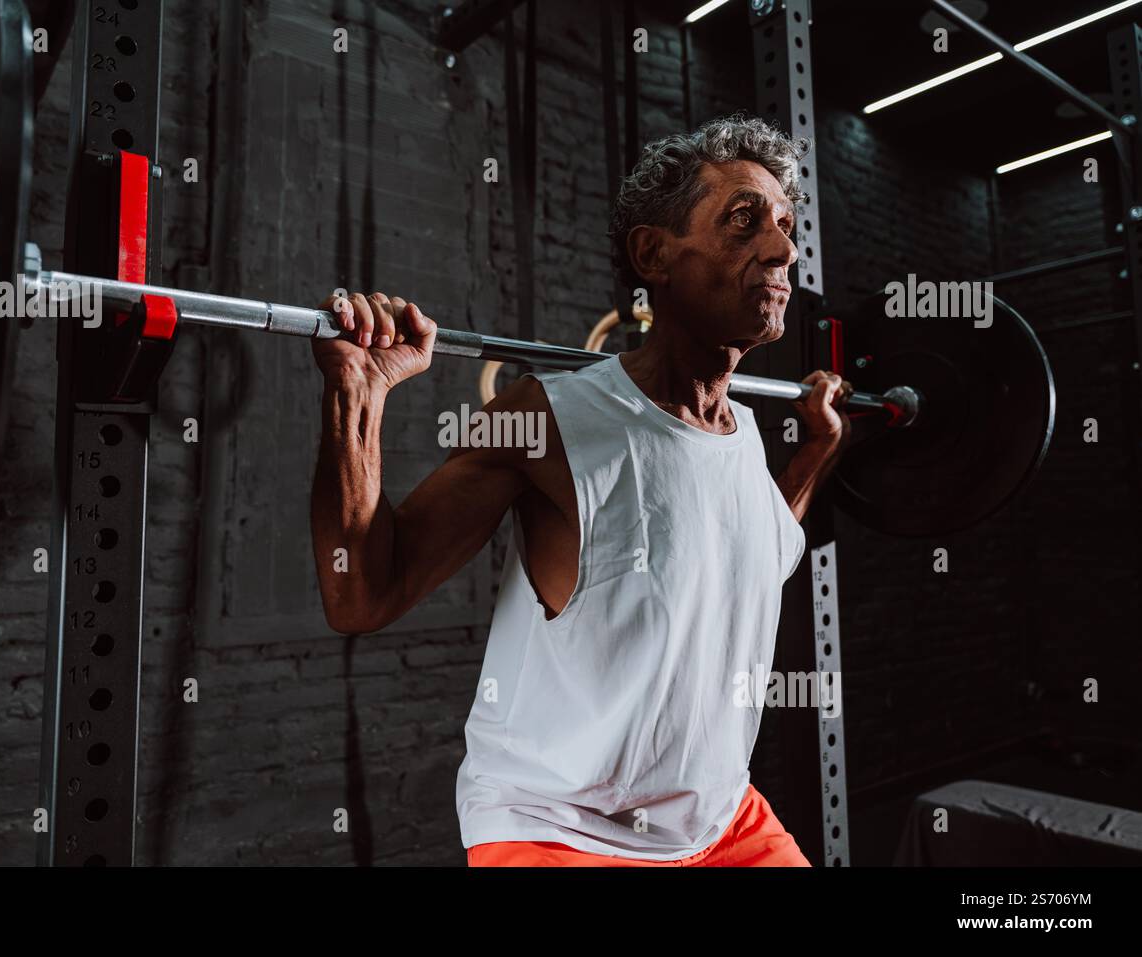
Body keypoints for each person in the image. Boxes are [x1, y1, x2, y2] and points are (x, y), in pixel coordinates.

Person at [309, 115, 852, 867]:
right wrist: (357, 397)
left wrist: (814, 455)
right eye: (744, 221)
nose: (783, 250)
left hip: (722, 820)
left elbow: (757, 553)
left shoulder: (745, 432)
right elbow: (362, 593)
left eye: (787, 227)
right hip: (559, 828)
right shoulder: (547, 420)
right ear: (653, 253)